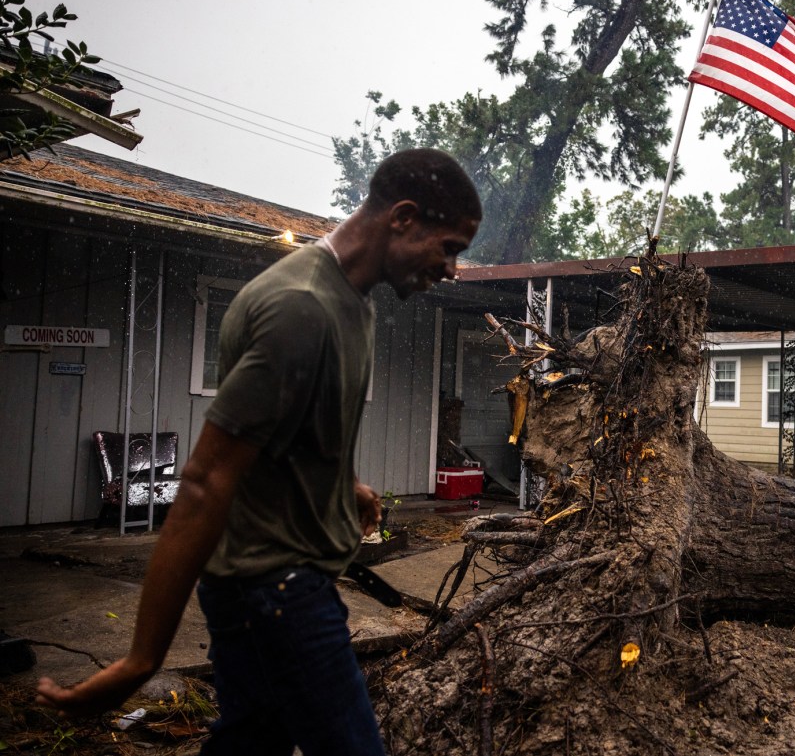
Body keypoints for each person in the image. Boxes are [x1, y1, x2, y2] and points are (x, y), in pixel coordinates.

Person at [36, 148, 482, 755]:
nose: (454, 269)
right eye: (450, 247)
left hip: (268, 585)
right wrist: (142, 659)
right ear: (403, 217)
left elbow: (289, 426)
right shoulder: (302, 307)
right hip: (277, 589)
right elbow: (204, 481)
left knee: (251, 743)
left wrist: (340, 484)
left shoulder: (354, 303)